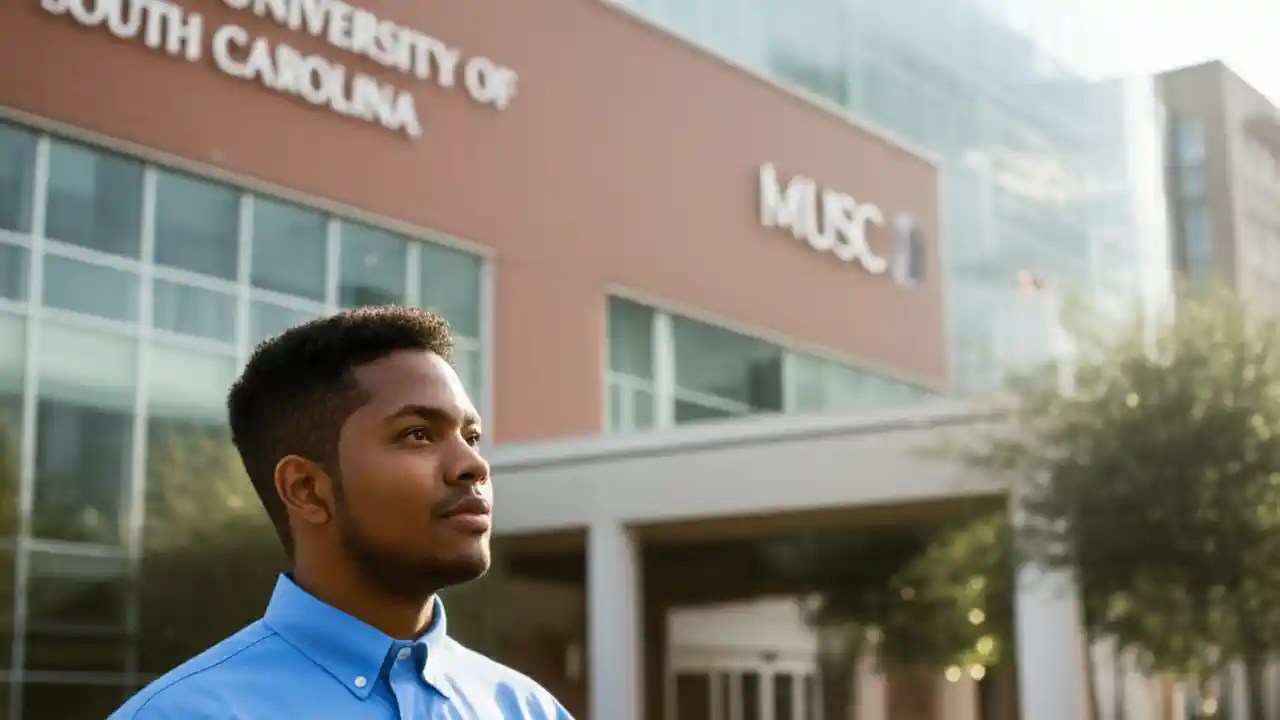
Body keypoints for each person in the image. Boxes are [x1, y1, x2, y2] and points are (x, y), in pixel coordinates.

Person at [110, 306, 573, 719]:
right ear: (307, 489)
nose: (474, 465)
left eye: (470, 437)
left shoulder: (527, 709)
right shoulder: (183, 713)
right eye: (417, 434)